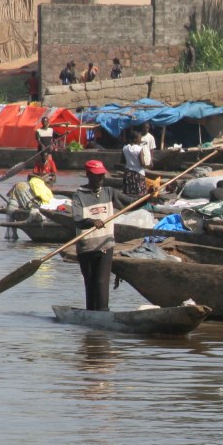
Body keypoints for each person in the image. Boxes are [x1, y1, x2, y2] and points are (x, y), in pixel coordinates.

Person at [71, 161, 133, 311]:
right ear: (88, 175)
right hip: (86, 248)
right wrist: (91, 222)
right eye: (96, 175)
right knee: (90, 283)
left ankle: (103, 313)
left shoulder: (109, 192)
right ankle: (91, 318)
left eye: (102, 175)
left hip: (105, 245)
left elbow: (131, 203)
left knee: (101, 282)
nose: (100, 178)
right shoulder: (78, 196)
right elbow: (78, 220)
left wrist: (150, 196)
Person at [120, 129, 150, 198]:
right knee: (139, 193)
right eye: (139, 138)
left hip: (128, 173)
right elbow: (142, 163)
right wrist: (147, 166)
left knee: (128, 193)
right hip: (138, 174)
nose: (140, 140)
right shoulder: (139, 149)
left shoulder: (125, 148)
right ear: (135, 139)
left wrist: (130, 161)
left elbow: (122, 161)